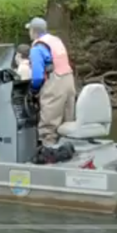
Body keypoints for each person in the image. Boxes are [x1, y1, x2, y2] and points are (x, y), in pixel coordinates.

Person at [26, 17, 76, 147]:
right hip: (68, 81)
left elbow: (37, 76)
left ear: (33, 31)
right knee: (67, 123)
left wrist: (33, 90)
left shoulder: (37, 48)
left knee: (49, 127)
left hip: (55, 83)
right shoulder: (56, 40)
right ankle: (66, 152)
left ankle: (49, 157)